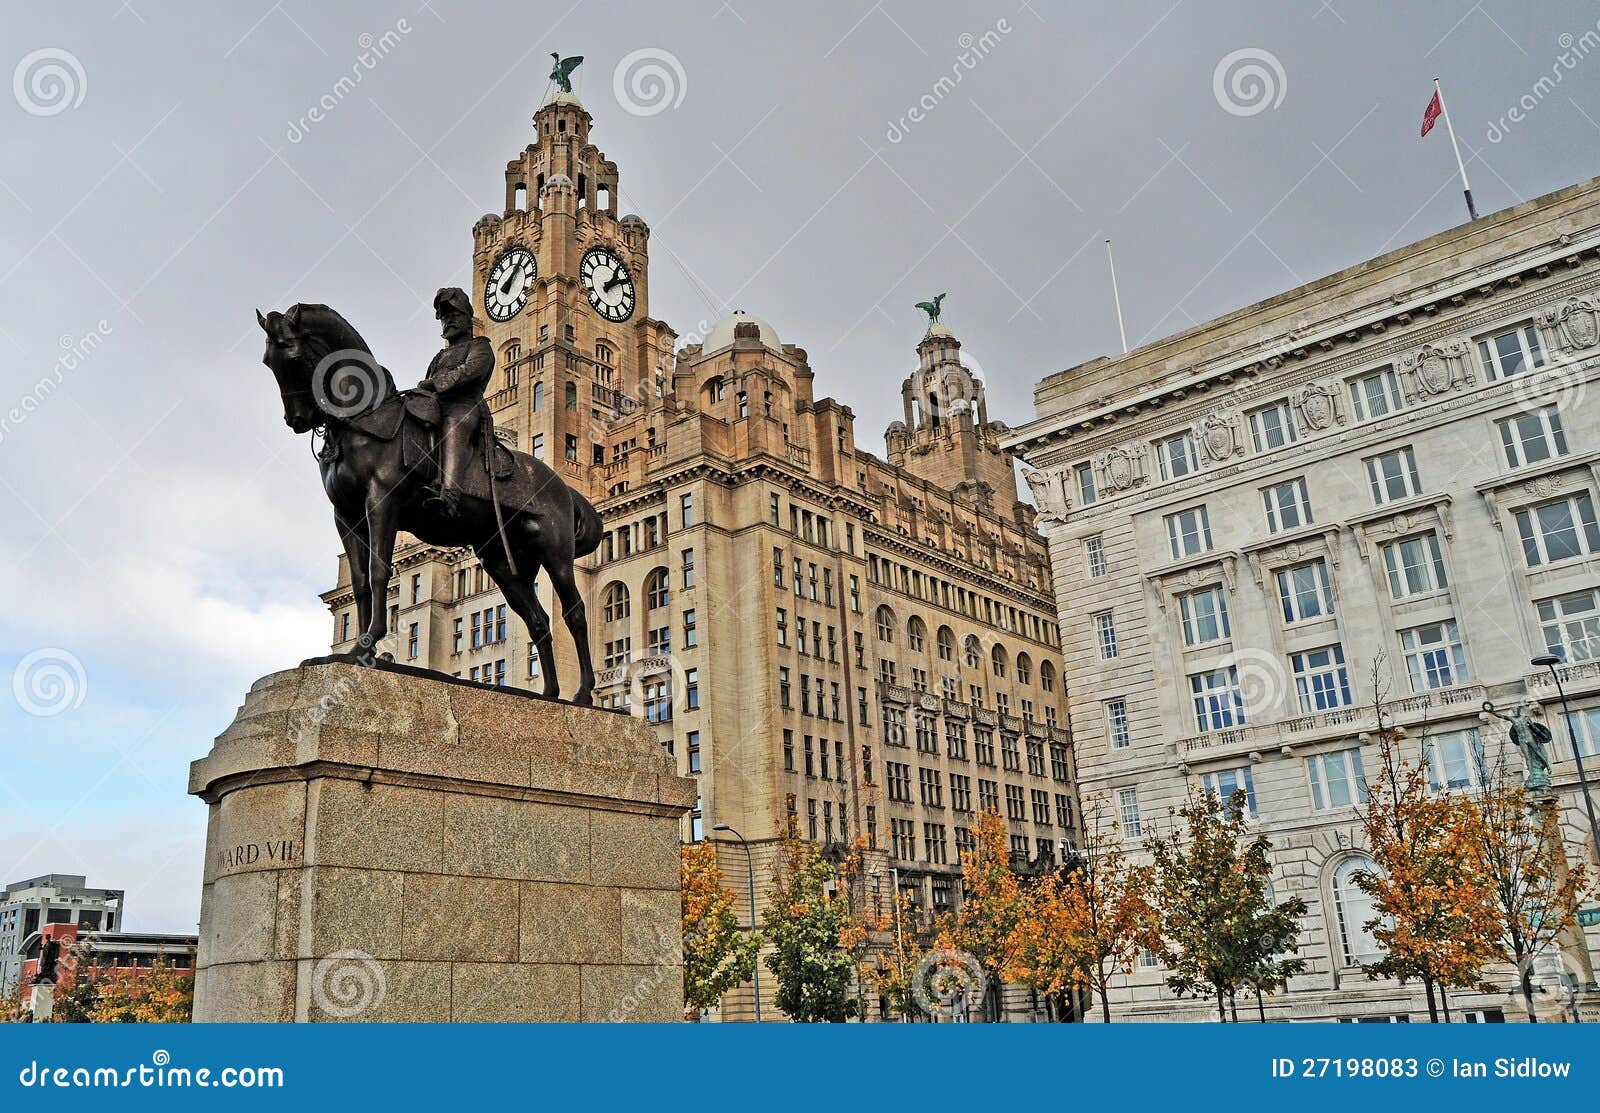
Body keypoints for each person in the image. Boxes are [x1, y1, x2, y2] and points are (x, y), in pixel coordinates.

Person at [416, 287, 494, 516]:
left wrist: (436, 383)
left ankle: (450, 495)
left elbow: (472, 371)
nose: (448, 322)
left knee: (454, 426)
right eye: (444, 318)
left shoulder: (480, 346)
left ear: (467, 320)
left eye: (454, 316)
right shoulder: (438, 357)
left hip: (465, 407)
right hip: (435, 407)